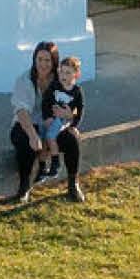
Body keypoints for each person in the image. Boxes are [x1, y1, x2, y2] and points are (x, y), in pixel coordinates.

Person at [10, 49, 90, 204]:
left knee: (72, 139)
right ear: (34, 60)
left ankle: (73, 184)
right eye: (39, 59)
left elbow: (76, 106)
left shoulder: (61, 78)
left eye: (47, 60)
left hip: (55, 123)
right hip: (28, 124)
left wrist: (71, 119)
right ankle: (24, 187)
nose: (43, 64)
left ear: (54, 62)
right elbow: (21, 111)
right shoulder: (24, 80)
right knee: (26, 143)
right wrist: (33, 135)